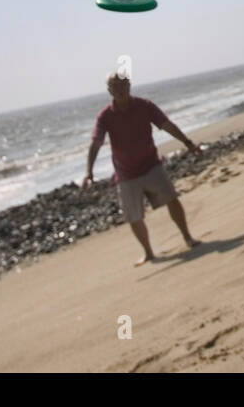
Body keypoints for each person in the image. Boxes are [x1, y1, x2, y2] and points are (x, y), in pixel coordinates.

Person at [83, 72, 202, 265]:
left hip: (151, 165)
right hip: (126, 173)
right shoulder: (105, 116)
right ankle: (148, 252)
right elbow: (96, 143)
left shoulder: (145, 106)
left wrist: (188, 143)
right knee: (133, 216)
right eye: (115, 87)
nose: (120, 90)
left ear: (129, 86)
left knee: (172, 199)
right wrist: (89, 171)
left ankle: (188, 237)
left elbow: (167, 125)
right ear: (109, 91)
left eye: (123, 86)